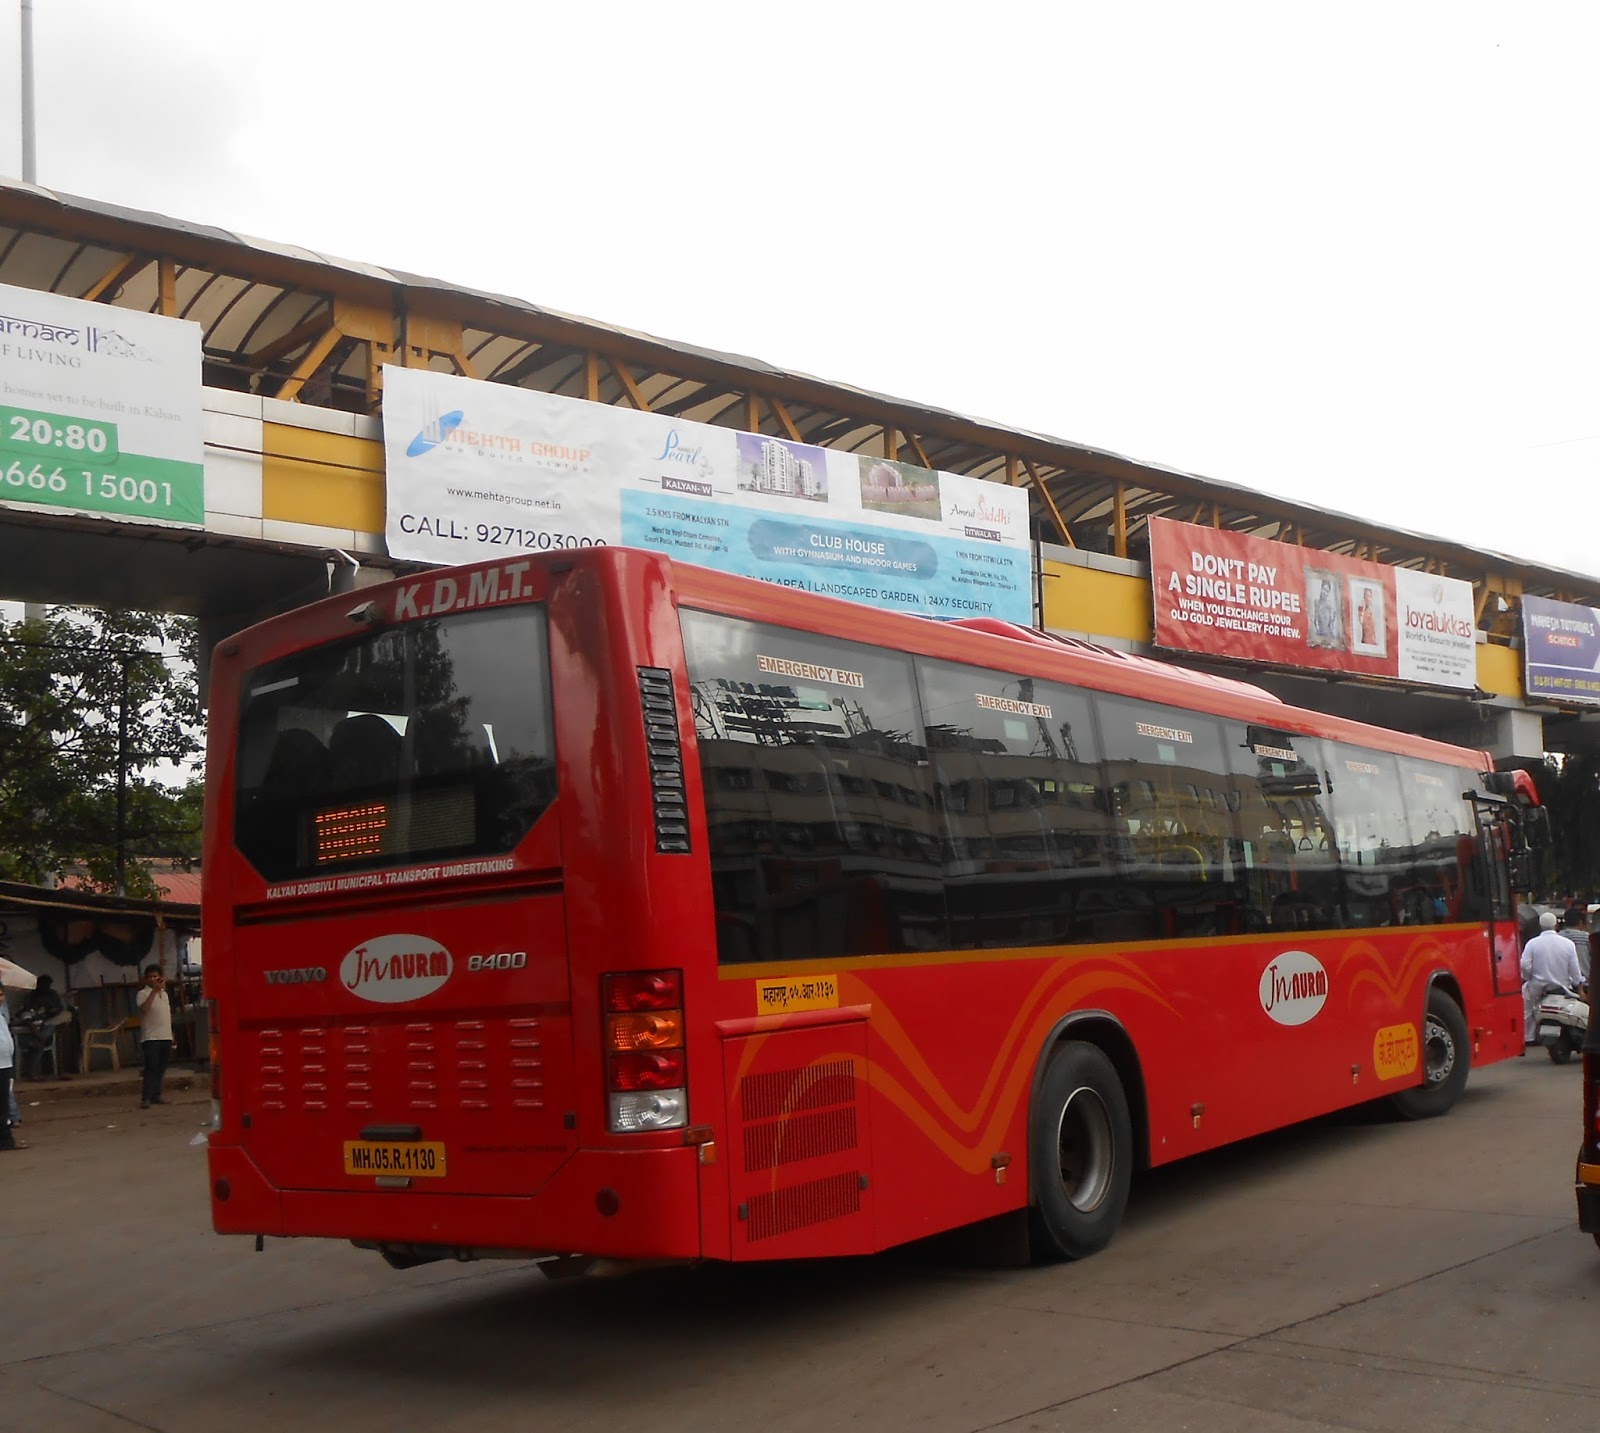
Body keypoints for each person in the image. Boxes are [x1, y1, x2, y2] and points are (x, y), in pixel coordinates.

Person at [1522, 911, 1584, 1043]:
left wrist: (1528, 977)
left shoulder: (1532, 943)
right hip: (1562, 986)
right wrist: (1577, 983)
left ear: (1540, 926)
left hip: (1537, 985)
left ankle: (1528, 1037)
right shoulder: (1568, 944)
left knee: (1527, 1009)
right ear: (1556, 925)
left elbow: (1524, 964)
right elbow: (1575, 970)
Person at [136, 964, 173, 1109]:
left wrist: (172, 1035)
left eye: (155, 976)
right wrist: (153, 992)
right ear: (146, 979)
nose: (153, 979)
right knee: (151, 1067)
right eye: (150, 977)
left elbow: (167, 1016)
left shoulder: (164, 994)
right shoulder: (143, 994)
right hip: (150, 1037)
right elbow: (145, 1009)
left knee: (161, 1068)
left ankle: (156, 1095)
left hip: (165, 1036)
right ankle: (146, 1097)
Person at [14, 973, 65, 1080]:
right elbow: (26, 1014)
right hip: (29, 1029)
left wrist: (50, 1011)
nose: (45, 987)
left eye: (47, 984)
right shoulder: (31, 995)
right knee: (39, 1042)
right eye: (43, 984)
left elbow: (60, 1009)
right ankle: (39, 1039)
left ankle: (32, 1073)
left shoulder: (53, 994)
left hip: (47, 1022)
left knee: (49, 1028)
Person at [0, 994, 24, 1150]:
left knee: (3, 1105)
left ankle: (5, 1140)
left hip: (5, 1064)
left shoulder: (2, 1016)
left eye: (1, 994)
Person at [1560, 907, 1592, 986]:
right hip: (1586, 983)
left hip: (1564, 984)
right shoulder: (1588, 938)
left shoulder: (1558, 937)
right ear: (1581, 922)